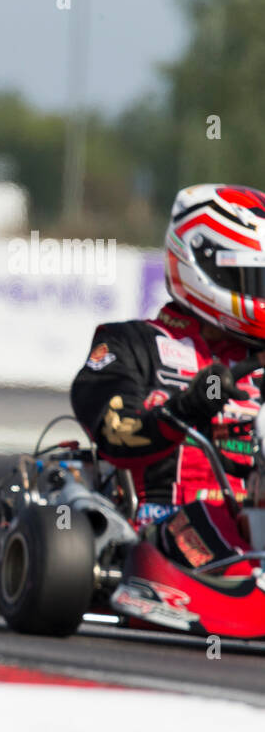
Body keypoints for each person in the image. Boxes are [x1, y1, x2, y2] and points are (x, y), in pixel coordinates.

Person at [70, 183, 265, 528]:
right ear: (207, 266)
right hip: (162, 538)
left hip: (253, 534)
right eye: (256, 278)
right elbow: (116, 434)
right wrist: (188, 407)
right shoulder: (131, 344)